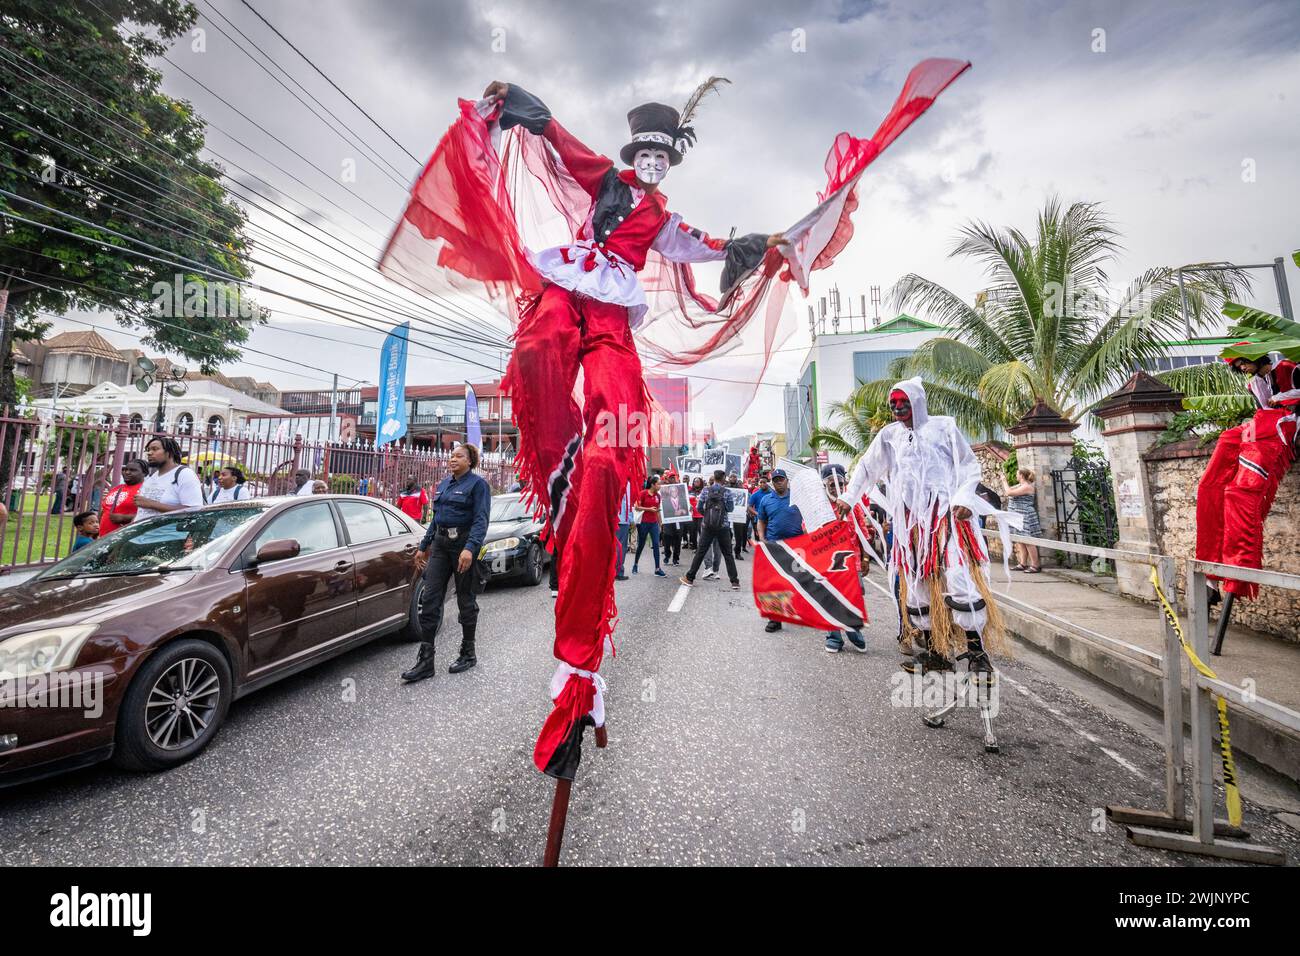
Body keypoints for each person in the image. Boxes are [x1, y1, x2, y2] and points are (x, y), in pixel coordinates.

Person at [833, 378, 1014, 689]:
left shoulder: (944, 428)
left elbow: (970, 467)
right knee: (916, 585)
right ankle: (935, 652)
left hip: (946, 517)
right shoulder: (889, 436)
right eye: (893, 404)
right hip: (911, 524)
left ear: (917, 402)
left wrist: (963, 500)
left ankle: (977, 654)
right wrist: (849, 498)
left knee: (959, 578)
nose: (898, 408)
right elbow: (867, 467)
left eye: (903, 402)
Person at [1196, 346, 1299, 608]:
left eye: (1243, 362)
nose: (1242, 368)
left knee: (1240, 492)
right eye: (1238, 365)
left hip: (1283, 425)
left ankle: (1237, 574)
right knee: (1212, 483)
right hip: (1262, 425)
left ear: (1255, 356)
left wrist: (1282, 397)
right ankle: (1211, 572)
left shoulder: (1286, 368)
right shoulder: (1255, 383)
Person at [402, 444, 492, 682]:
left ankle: (468, 652)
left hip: (463, 545)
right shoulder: (443, 485)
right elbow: (436, 520)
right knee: (430, 599)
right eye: (451, 456)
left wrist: (470, 549)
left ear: (470, 461)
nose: (453, 459)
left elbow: (481, 520)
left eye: (459, 456)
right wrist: (423, 547)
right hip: (441, 545)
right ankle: (426, 661)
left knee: (466, 600)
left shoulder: (478, 485)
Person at [821, 463, 866, 653]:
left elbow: (864, 532)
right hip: (827, 562)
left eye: (839, 483)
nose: (835, 487)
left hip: (852, 562)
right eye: (831, 484)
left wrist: (865, 559)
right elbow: (809, 530)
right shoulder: (819, 505)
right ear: (824, 484)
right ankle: (834, 637)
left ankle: (854, 631)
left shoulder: (853, 504)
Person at [755, 469, 804, 631]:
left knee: (797, 582)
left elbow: (809, 518)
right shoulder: (766, 500)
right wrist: (762, 537)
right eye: (775, 480)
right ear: (772, 483)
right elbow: (761, 521)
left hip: (797, 548)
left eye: (781, 479)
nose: (778, 482)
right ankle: (775, 619)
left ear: (787, 480)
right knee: (774, 584)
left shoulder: (798, 498)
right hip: (774, 547)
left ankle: (803, 612)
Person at [679, 470, 740, 590]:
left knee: (701, 551)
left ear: (714, 478)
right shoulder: (727, 492)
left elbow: (699, 507)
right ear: (723, 478)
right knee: (728, 554)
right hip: (723, 526)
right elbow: (731, 508)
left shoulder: (706, 491)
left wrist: (707, 515)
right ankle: (734, 582)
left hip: (707, 526)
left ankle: (689, 578)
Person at [134, 436, 205, 520]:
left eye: (155, 449)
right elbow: (141, 512)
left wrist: (151, 504)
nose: (149, 453)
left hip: (167, 532)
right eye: (148, 450)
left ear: (169, 453)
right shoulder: (152, 477)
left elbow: (194, 510)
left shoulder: (184, 474)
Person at [1003, 468, 1042, 572]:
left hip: (1025, 515)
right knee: (1020, 540)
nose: (1016, 476)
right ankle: (1023, 563)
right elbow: (1009, 491)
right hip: (1017, 516)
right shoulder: (1020, 486)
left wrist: (1003, 481)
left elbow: (1009, 493)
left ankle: (1035, 565)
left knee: (1028, 541)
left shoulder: (1027, 487)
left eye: (1017, 474)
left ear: (1021, 475)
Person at [100, 458, 148, 534]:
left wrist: (124, 518)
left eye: (133, 470)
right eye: (125, 469)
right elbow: (105, 510)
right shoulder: (117, 488)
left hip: (126, 537)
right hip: (104, 538)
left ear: (144, 473)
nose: (127, 472)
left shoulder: (145, 490)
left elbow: (151, 515)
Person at [632, 476, 665, 576]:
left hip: (654, 523)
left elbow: (658, 511)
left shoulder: (658, 496)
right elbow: (637, 507)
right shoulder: (643, 493)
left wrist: (660, 524)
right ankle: (635, 564)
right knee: (641, 544)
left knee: (656, 544)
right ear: (653, 484)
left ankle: (657, 568)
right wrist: (649, 509)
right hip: (643, 523)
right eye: (658, 484)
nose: (660, 486)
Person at [615, 481, 633, 581]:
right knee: (621, 547)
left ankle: (613, 571)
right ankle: (618, 572)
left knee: (616, 547)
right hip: (621, 519)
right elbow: (627, 502)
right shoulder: (626, 483)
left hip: (617, 518)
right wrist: (630, 518)